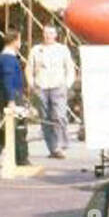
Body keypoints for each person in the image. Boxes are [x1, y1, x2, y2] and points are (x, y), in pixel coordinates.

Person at [27, 25, 77, 158]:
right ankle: (53, 148)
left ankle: (61, 144)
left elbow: (70, 68)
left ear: (55, 35)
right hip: (41, 87)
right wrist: (32, 85)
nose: (48, 36)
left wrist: (67, 84)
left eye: (51, 33)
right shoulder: (36, 50)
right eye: (45, 33)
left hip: (58, 86)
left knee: (59, 115)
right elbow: (29, 69)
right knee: (45, 118)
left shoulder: (62, 49)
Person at [0, 30, 31, 167]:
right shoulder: (8, 59)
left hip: (12, 94)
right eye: (20, 40)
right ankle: (22, 159)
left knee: (7, 129)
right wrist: (11, 100)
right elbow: (8, 80)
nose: (20, 43)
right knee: (20, 128)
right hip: (12, 96)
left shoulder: (5, 57)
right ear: (15, 41)